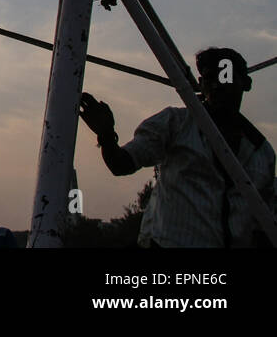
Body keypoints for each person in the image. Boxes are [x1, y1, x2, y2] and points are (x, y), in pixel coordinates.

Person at [80, 47, 276, 248]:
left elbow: (264, 226)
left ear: (246, 83)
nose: (217, 85)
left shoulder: (262, 153)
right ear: (200, 84)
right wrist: (106, 135)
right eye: (210, 78)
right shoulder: (174, 123)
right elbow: (122, 163)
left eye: (226, 77)